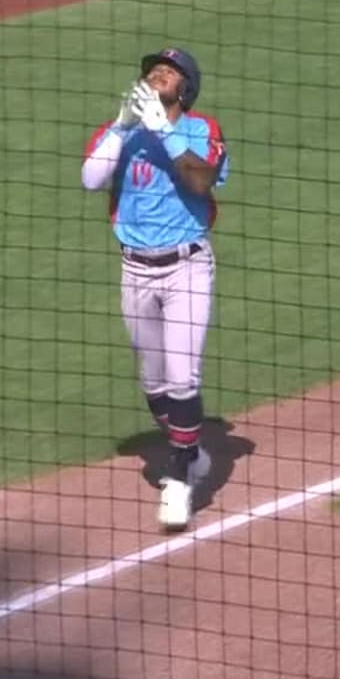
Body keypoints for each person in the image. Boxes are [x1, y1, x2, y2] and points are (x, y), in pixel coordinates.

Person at [80, 47, 231, 533]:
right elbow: (90, 179)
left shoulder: (200, 128)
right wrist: (125, 125)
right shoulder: (121, 131)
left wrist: (163, 133)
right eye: (151, 71)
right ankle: (191, 449)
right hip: (135, 269)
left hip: (187, 267)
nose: (155, 75)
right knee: (154, 383)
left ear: (185, 88)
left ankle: (178, 477)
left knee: (183, 377)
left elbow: (202, 182)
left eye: (168, 72)